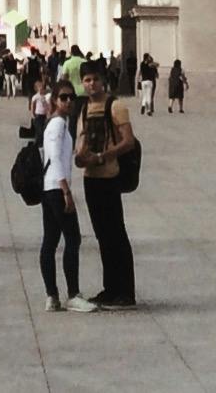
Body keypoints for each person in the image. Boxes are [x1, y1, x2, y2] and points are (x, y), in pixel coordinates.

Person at [77, 70, 137, 310]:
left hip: (109, 175)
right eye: (87, 80)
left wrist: (103, 156)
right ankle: (110, 288)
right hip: (91, 177)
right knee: (102, 235)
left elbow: (128, 141)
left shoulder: (116, 106)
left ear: (104, 82)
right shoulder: (83, 110)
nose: (92, 84)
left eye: (95, 79)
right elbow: (81, 141)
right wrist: (80, 157)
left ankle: (126, 291)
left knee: (116, 234)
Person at [37, 77, 87, 313]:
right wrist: (66, 191)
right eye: (63, 97)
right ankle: (72, 294)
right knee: (73, 238)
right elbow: (55, 158)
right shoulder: (57, 125)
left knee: (50, 241)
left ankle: (52, 296)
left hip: (51, 187)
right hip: (56, 188)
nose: (68, 101)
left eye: (71, 97)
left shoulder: (60, 123)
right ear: (55, 100)